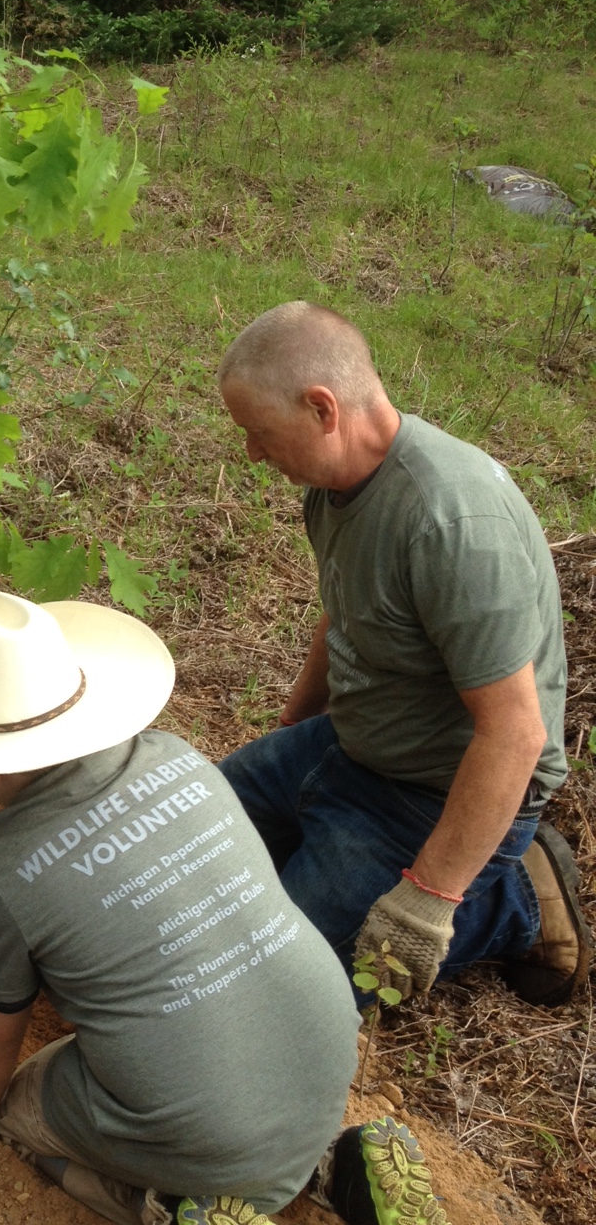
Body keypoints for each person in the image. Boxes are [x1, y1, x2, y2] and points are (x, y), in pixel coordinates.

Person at [0, 585, 446, 1225]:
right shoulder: (177, 756)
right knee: (221, 1077)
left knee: (16, 1109)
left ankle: (165, 1203)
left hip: (198, 1122)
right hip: (324, 1048)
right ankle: (336, 1163)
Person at [215, 301, 589, 1006]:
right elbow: (346, 611)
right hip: (353, 742)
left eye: (260, 433)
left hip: (437, 789)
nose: (254, 454)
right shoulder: (334, 486)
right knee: (193, 849)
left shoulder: (452, 523)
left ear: (323, 408)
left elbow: (514, 732)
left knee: (279, 987)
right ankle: (331, 848)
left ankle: (515, 903)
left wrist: (428, 899)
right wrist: (294, 730)